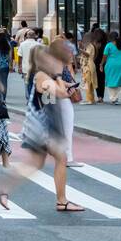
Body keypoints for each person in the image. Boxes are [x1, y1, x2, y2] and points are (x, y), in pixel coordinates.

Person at [0, 44, 83, 212]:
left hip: (43, 126)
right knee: (60, 158)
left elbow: (59, 92)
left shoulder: (45, 76)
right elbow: (61, 93)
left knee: (36, 162)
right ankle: (61, 201)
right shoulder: (42, 76)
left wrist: (66, 84)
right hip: (41, 128)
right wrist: (59, 78)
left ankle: (4, 187)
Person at [50, 38, 82, 167]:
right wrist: (71, 86)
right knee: (67, 128)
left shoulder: (52, 61)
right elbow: (58, 80)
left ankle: (63, 155)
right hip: (62, 97)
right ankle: (68, 158)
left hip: (57, 96)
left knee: (61, 128)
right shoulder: (57, 62)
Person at [102, 31, 121, 104]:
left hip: (111, 64)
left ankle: (114, 98)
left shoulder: (108, 45)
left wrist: (101, 64)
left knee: (111, 80)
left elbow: (104, 57)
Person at [78, 39, 99, 105]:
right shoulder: (88, 46)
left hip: (88, 66)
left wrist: (80, 50)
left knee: (88, 83)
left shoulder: (90, 46)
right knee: (89, 83)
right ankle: (91, 99)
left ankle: (90, 100)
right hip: (88, 66)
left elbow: (87, 54)